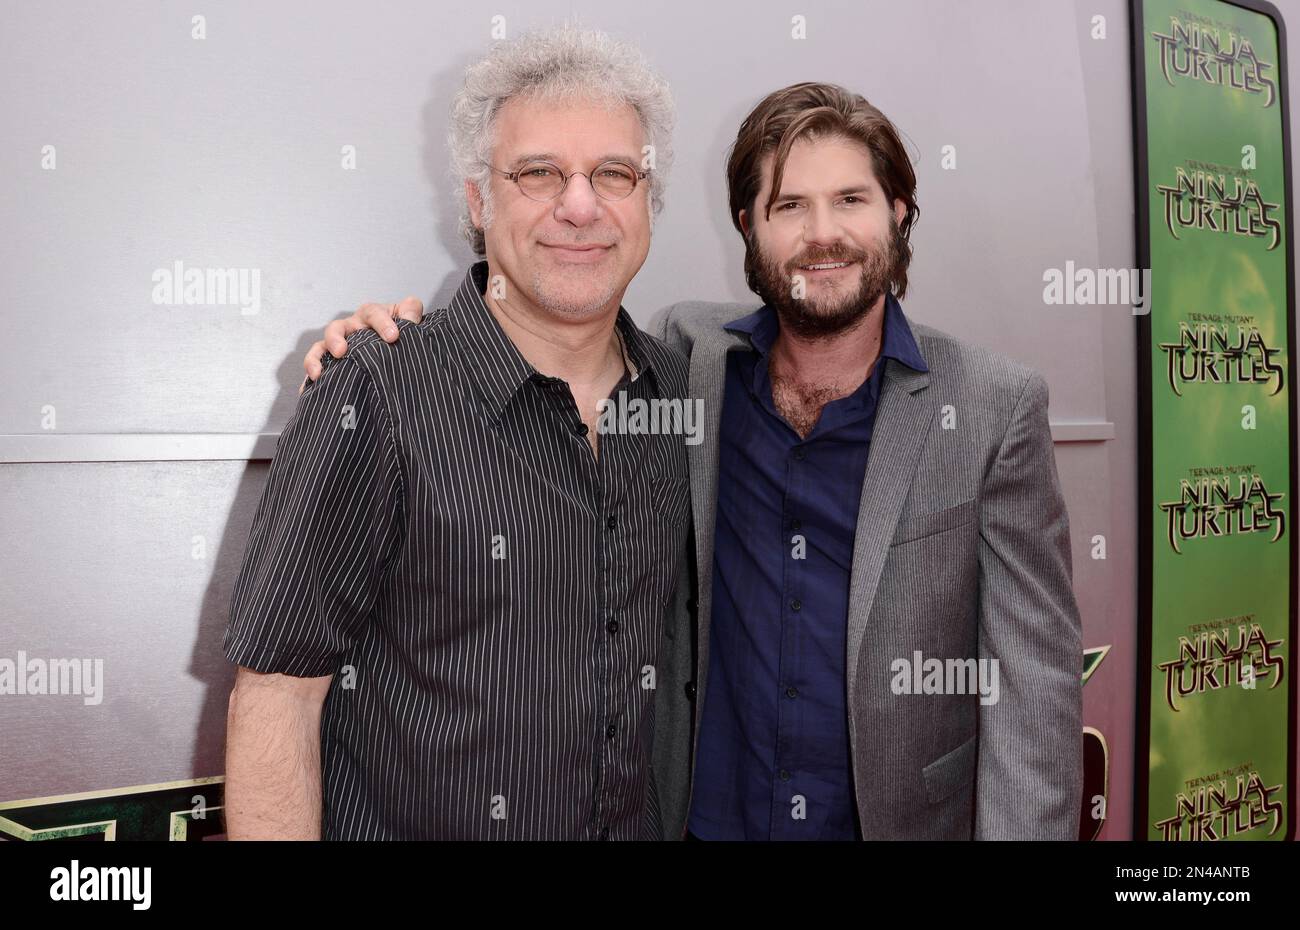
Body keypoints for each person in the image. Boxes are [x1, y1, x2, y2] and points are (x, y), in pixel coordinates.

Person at [302, 81, 1083, 840]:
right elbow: (548, 333)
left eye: (851, 200)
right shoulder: (685, 364)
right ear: (748, 226)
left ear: (898, 213)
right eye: (788, 206)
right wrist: (387, 335)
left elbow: (1033, 699)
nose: (822, 235)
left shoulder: (991, 408)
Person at [223, 25, 691, 840]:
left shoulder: (683, 396)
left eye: (614, 173)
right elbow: (277, 694)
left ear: (647, 200)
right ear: (478, 199)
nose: (579, 206)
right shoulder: (376, 387)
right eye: (538, 172)